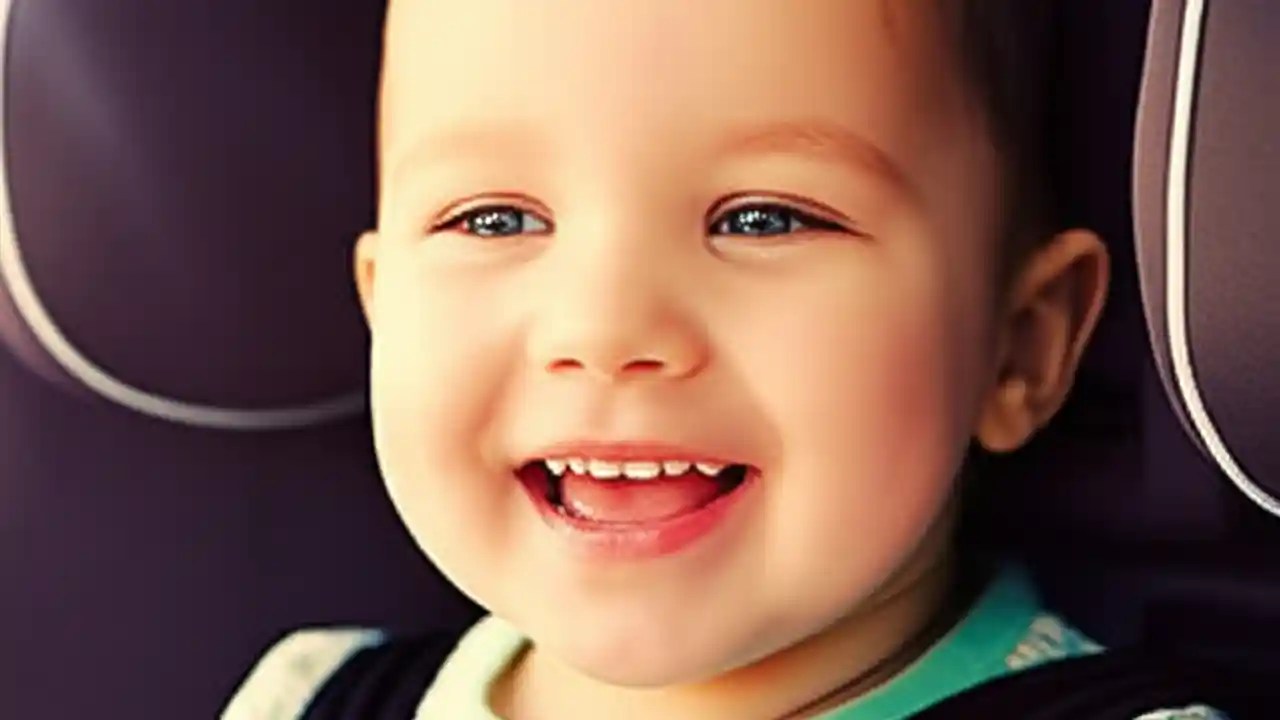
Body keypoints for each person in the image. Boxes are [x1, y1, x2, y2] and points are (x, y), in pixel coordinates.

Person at [222, 1, 1224, 717]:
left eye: (760, 218)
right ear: (380, 305)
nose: (603, 328)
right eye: (495, 218)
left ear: (1019, 346)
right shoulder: (310, 700)